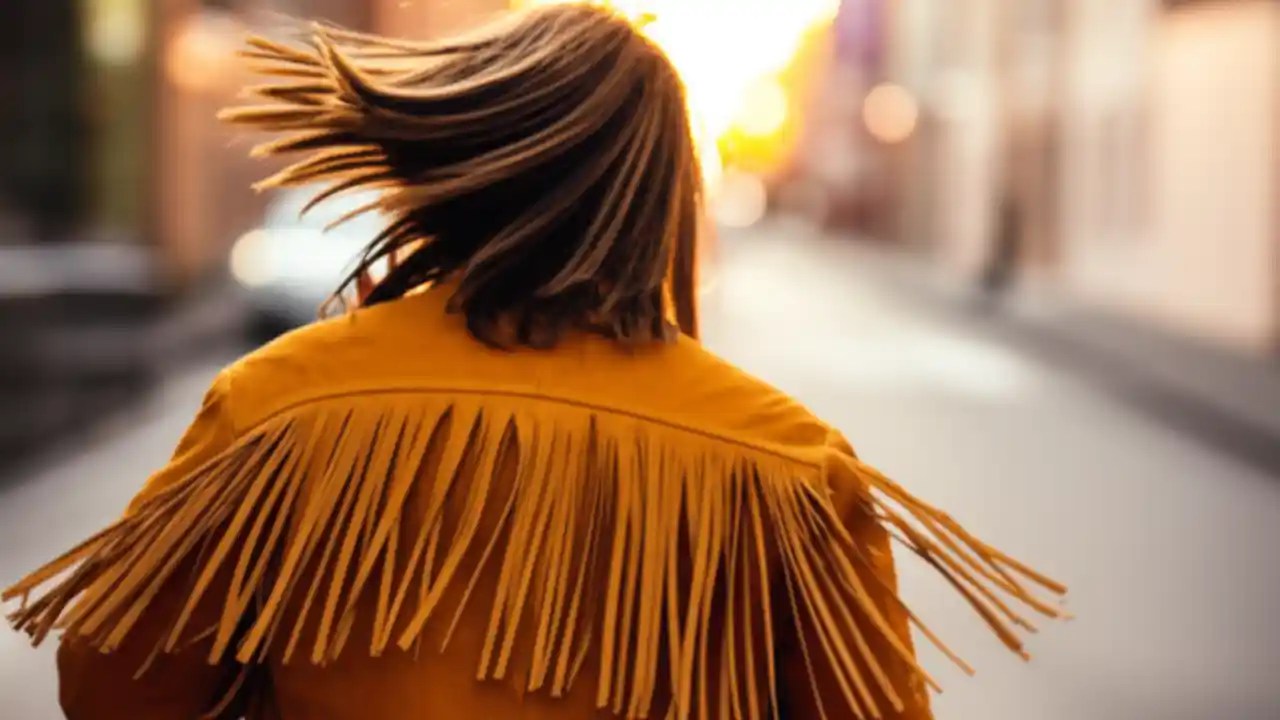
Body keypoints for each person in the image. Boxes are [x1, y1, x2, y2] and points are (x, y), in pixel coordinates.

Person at [4, 5, 1066, 719]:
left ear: (453, 169)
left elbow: (112, 689)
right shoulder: (788, 469)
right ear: (660, 202)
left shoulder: (281, 405)